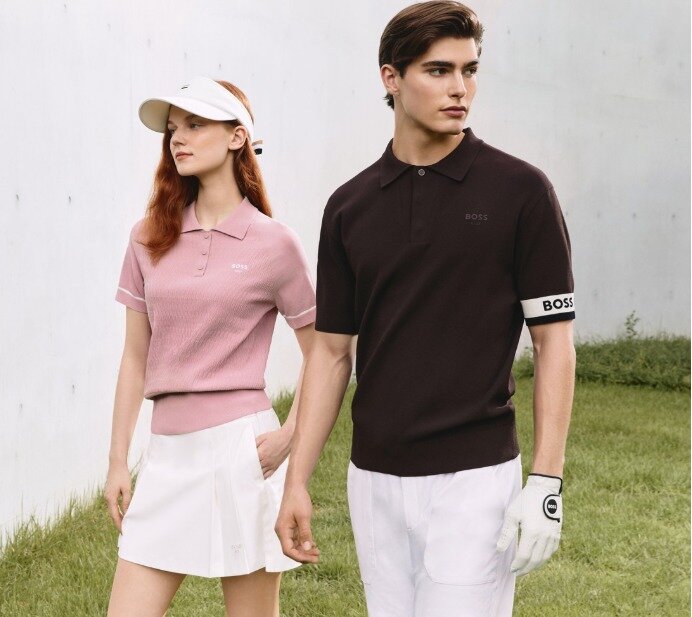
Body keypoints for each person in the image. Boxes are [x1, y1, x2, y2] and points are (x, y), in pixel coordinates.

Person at [275, 2, 575, 615]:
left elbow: (554, 343)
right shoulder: (349, 206)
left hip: (475, 477)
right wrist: (296, 480)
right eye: (439, 70)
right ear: (391, 78)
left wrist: (546, 481)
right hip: (373, 477)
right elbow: (330, 353)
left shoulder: (521, 191)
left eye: (470, 70)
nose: (460, 88)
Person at [105, 76, 317, 617]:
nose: (178, 137)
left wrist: (290, 434)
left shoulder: (275, 243)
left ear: (237, 136)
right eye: (174, 129)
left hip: (242, 451)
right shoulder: (147, 236)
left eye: (196, 124)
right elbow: (134, 358)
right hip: (166, 454)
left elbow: (324, 354)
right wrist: (117, 461)